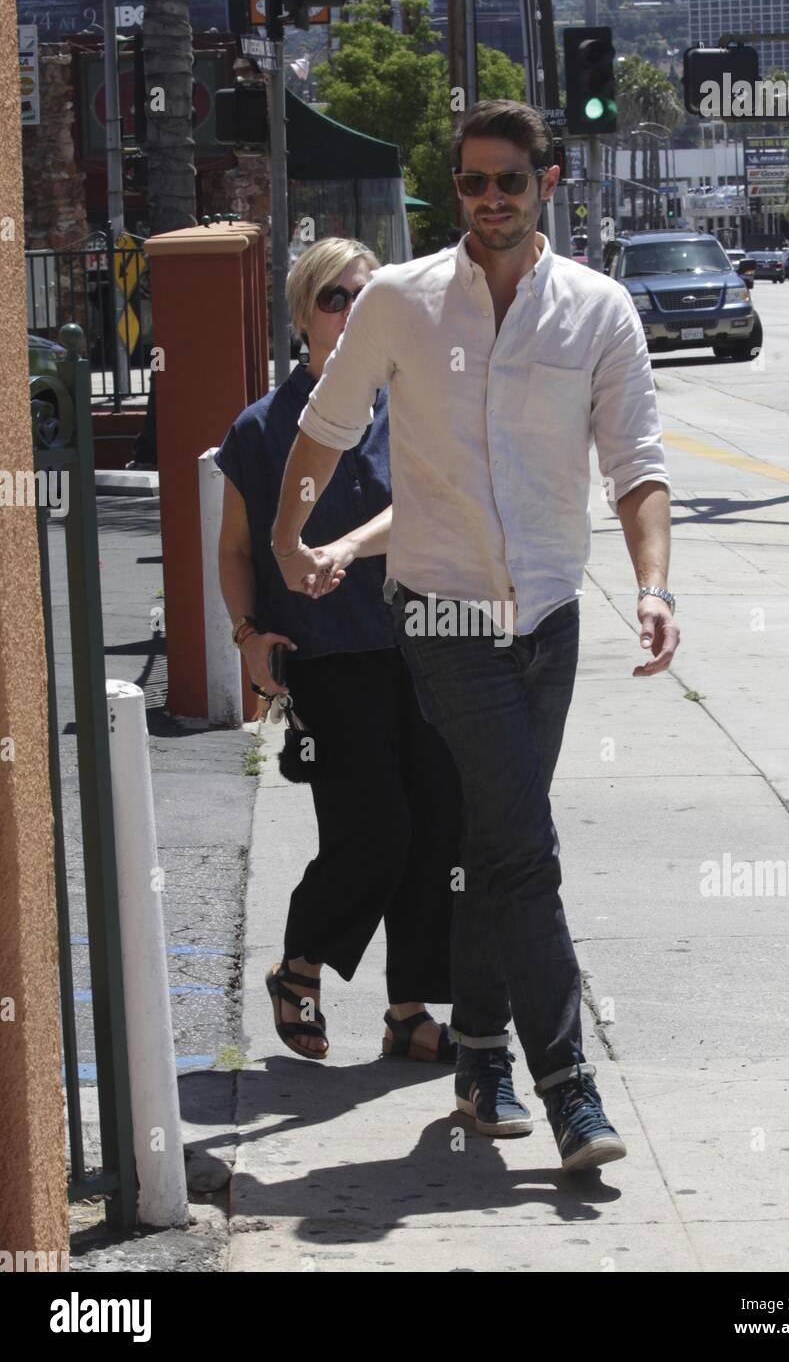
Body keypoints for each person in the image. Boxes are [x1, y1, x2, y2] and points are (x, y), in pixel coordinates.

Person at [270, 100, 679, 1172]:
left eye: (509, 179)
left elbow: (636, 464)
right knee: (524, 846)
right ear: (453, 191)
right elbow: (326, 422)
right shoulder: (401, 303)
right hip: (443, 606)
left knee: (500, 842)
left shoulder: (597, 310)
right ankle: (568, 1086)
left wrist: (652, 586)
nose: (489, 198)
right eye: (471, 182)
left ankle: (480, 1055)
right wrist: (284, 533)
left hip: (548, 609)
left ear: (546, 181)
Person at [215, 237, 461, 1064]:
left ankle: (408, 1011)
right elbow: (237, 550)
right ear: (302, 313)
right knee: (375, 830)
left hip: (418, 641)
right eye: (333, 298)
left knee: (434, 824)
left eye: (365, 295)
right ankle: (299, 965)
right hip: (326, 655)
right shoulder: (260, 427)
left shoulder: (407, 406)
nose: (351, 311)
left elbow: (426, 510)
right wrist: (249, 637)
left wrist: (350, 548)